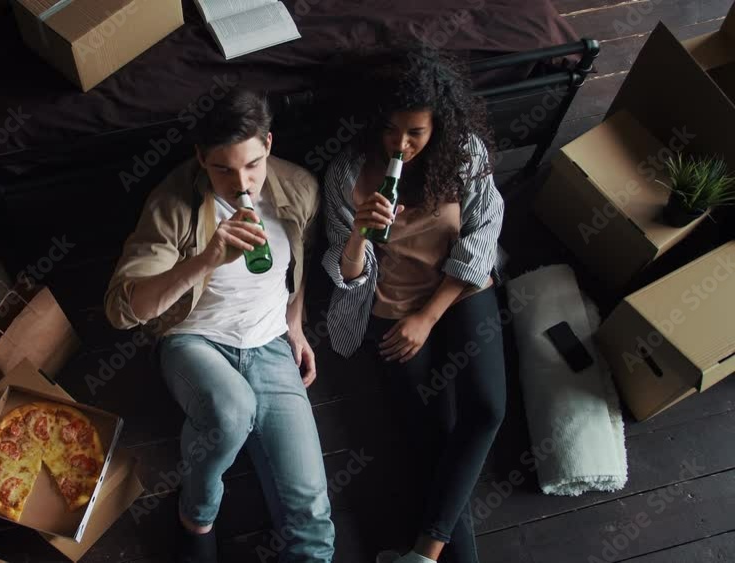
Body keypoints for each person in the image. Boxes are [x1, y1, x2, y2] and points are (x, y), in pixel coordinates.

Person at [105, 87, 335, 563]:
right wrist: (206, 259)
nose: (242, 184)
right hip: (196, 339)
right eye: (223, 170)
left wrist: (295, 323)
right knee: (232, 411)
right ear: (200, 158)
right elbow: (123, 309)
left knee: (313, 520)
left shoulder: (300, 188)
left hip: (271, 343)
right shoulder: (172, 205)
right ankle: (196, 515)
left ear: (268, 144)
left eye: (252, 165)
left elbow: (302, 261)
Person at [321, 49, 506, 563]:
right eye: (390, 130)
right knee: (431, 435)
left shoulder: (464, 157)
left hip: (458, 290)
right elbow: (347, 276)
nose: (400, 144)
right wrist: (359, 231)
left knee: (487, 409)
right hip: (390, 307)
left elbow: (481, 240)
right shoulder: (346, 174)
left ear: (438, 129)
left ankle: (423, 554)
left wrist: (429, 318)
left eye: (415, 134)